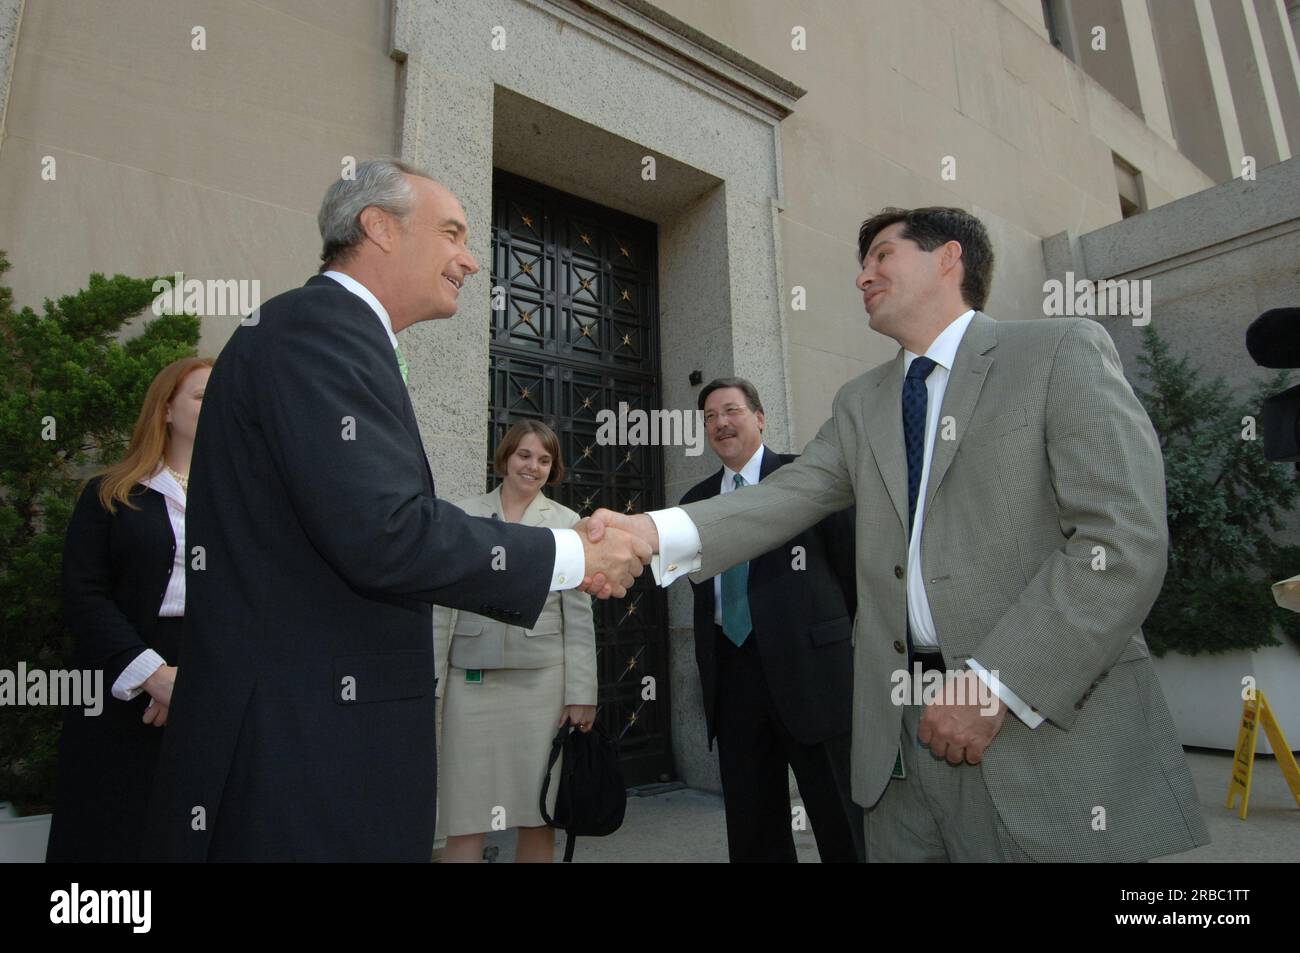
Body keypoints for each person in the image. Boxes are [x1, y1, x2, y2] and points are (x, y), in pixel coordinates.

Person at [588, 206, 1211, 862]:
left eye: (882, 255)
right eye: (862, 263)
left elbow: (1120, 542)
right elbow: (783, 498)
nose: (863, 276)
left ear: (948, 258)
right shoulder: (861, 403)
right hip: (898, 742)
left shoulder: (1058, 353)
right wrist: (646, 532)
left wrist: (998, 681)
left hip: (1035, 718)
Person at [143, 159, 649, 862]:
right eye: (452, 233)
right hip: (306, 753)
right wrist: (575, 551)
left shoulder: (326, 331)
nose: (472, 260)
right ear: (378, 228)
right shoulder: (320, 329)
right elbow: (385, 531)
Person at [680, 377, 862, 862]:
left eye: (731, 410)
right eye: (710, 417)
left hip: (814, 675)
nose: (721, 423)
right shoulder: (693, 503)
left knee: (840, 817)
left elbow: (851, 573)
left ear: (759, 417)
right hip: (733, 674)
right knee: (753, 825)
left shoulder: (809, 479)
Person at [47, 356, 213, 861]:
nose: (217, 405)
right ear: (165, 409)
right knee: (115, 827)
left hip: (210, 674)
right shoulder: (111, 494)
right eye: (202, 396)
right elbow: (83, 595)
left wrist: (198, 677)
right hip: (121, 675)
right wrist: (154, 676)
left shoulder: (241, 500)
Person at [434, 420, 597, 863]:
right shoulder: (462, 515)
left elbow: (578, 617)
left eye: (544, 460)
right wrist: (430, 679)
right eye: (524, 455)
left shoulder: (568, 524)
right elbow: (440, 605)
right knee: (463, 815)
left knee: (536, 814)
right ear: (505, 457)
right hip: (471, 681)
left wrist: (582, 693)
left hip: (542, 685)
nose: (533, 466)